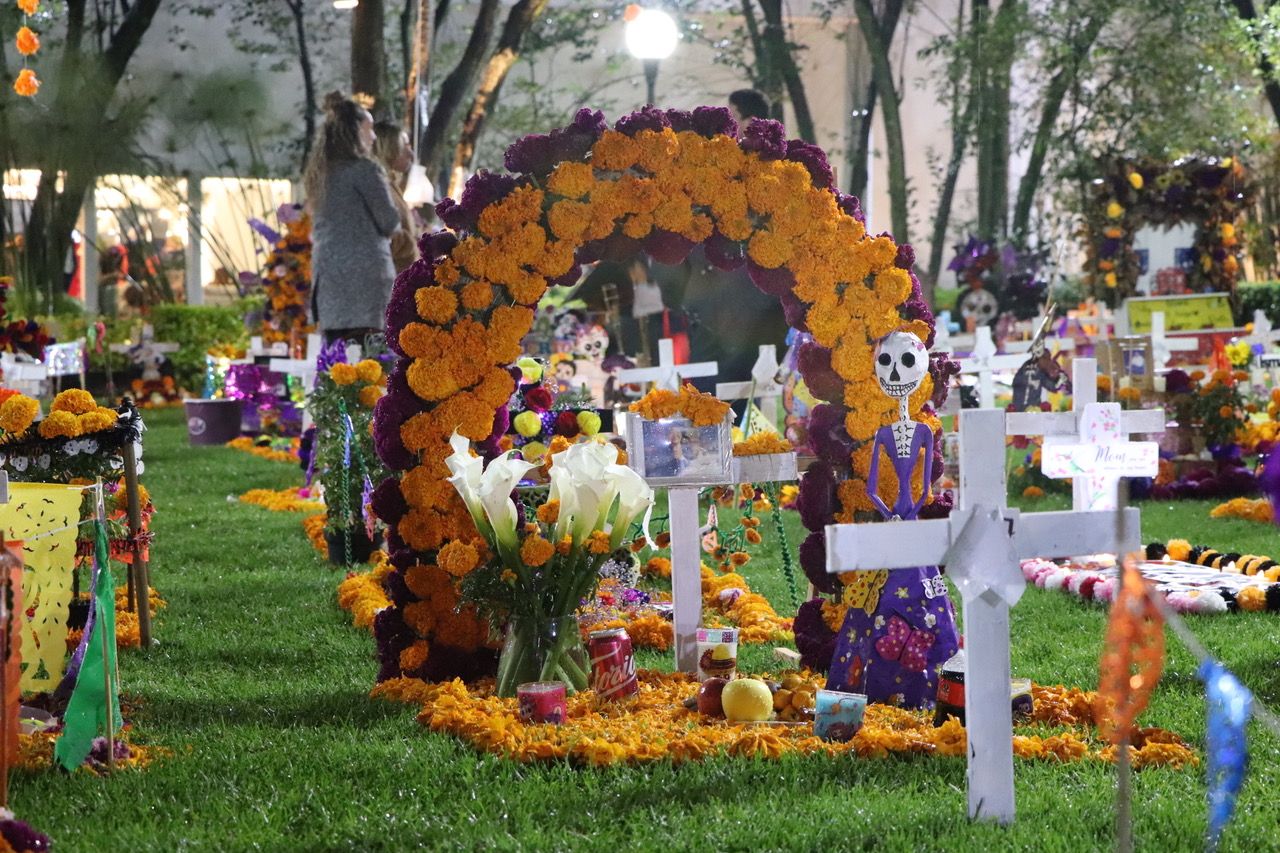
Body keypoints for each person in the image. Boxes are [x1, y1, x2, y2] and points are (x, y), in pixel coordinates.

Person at [304, 92, 402, 346]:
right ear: (354, 131)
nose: (373, 136)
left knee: (338, 355)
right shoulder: (365, 170)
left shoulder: (320, 174)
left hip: (329, 276)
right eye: (368, 129)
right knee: (369, 354)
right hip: (366, 279)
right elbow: (389, 222)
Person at [373, 120, 420, 273]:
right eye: (404, 147)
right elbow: (385, 238)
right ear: (387, 149)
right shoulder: (377, 188)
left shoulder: (390, 185)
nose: (410, 154)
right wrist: (411, 245)